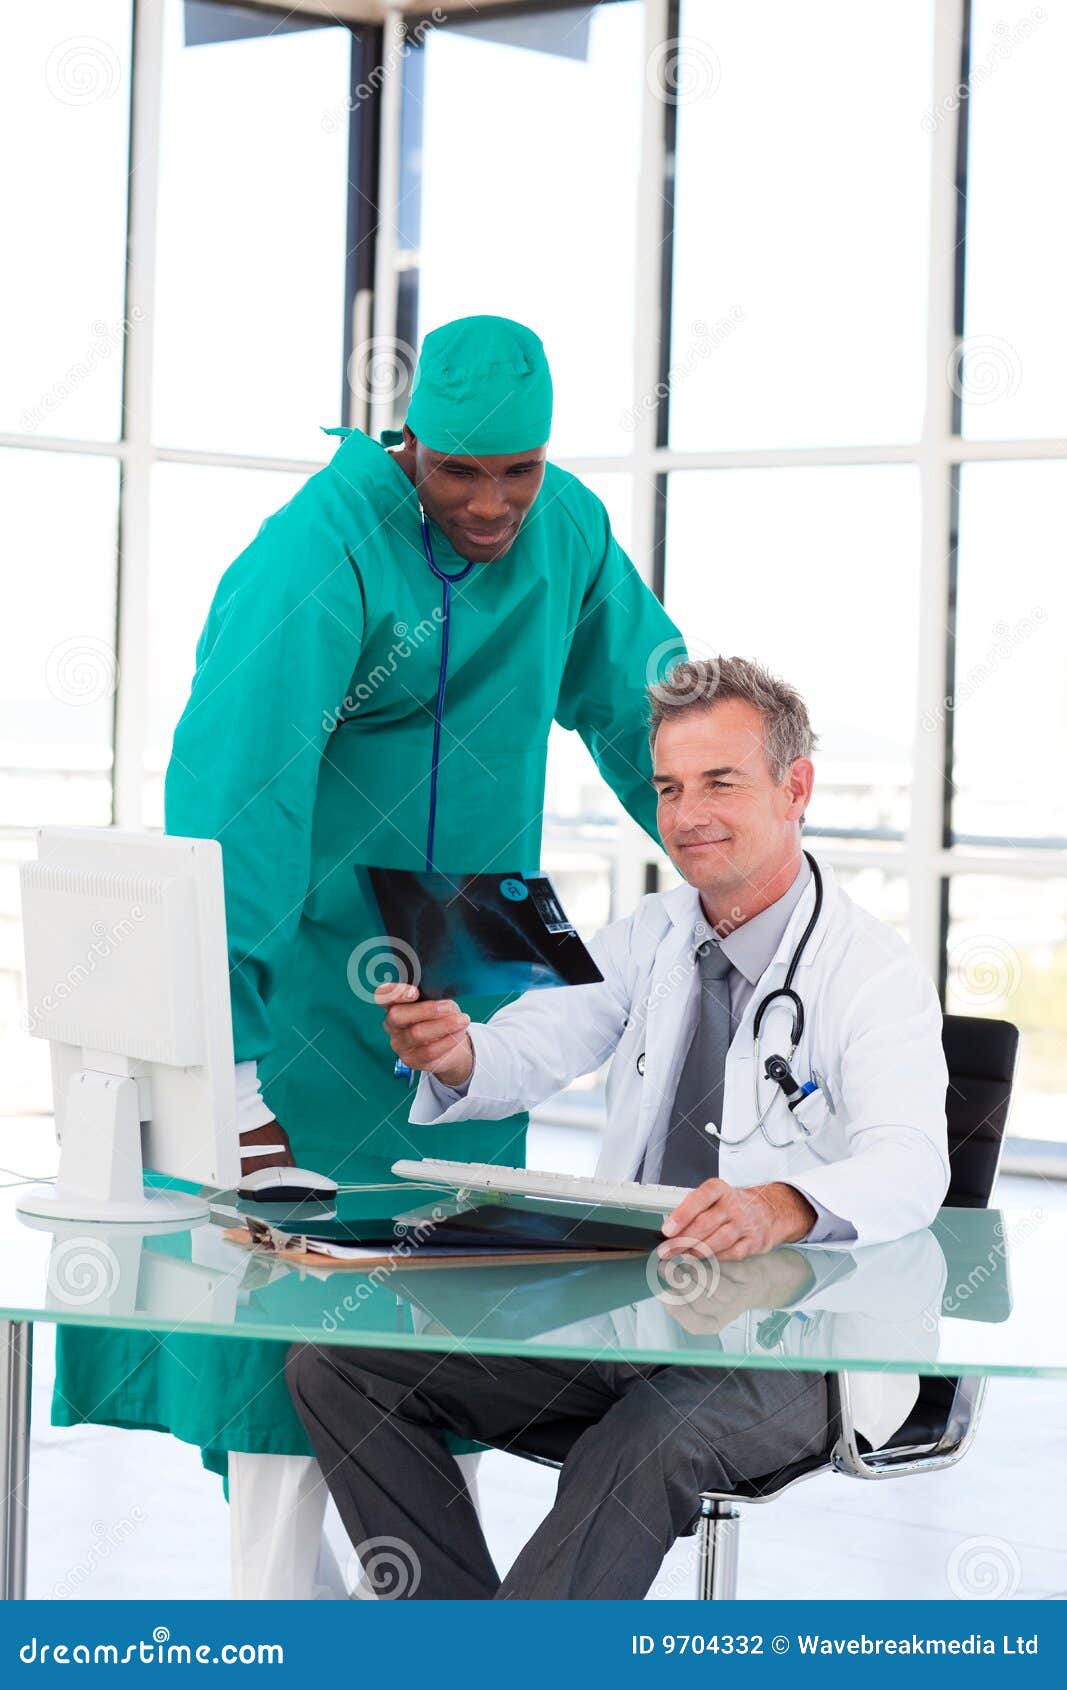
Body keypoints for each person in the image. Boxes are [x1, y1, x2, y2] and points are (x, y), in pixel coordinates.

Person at [52, 316, 685, 1598]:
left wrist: (727, 848)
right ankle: (284, 1615)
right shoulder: (316, 552)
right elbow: (238, 800)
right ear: (409, 445)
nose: (493, 502)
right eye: (460, 473)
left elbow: (647, 707)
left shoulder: (564, 530)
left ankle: (418, 1613)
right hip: (308, 970)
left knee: (448, 1308)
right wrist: (224, 1052)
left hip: (476, 946)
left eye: (519, 469)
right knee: (290, 1315)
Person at [286, 656, 950, 1599]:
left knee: (648, 1439)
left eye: (720, 782)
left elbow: (911, 1163)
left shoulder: (871, 971)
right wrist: (454, 1052)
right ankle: (459, 1643)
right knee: (339, 1362)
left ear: (793, 787)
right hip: (630, 1316)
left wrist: (782, 1205)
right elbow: (534, 1043)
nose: (687, 816)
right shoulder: (653, 932)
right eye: (669, 788)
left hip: (799, 1347)